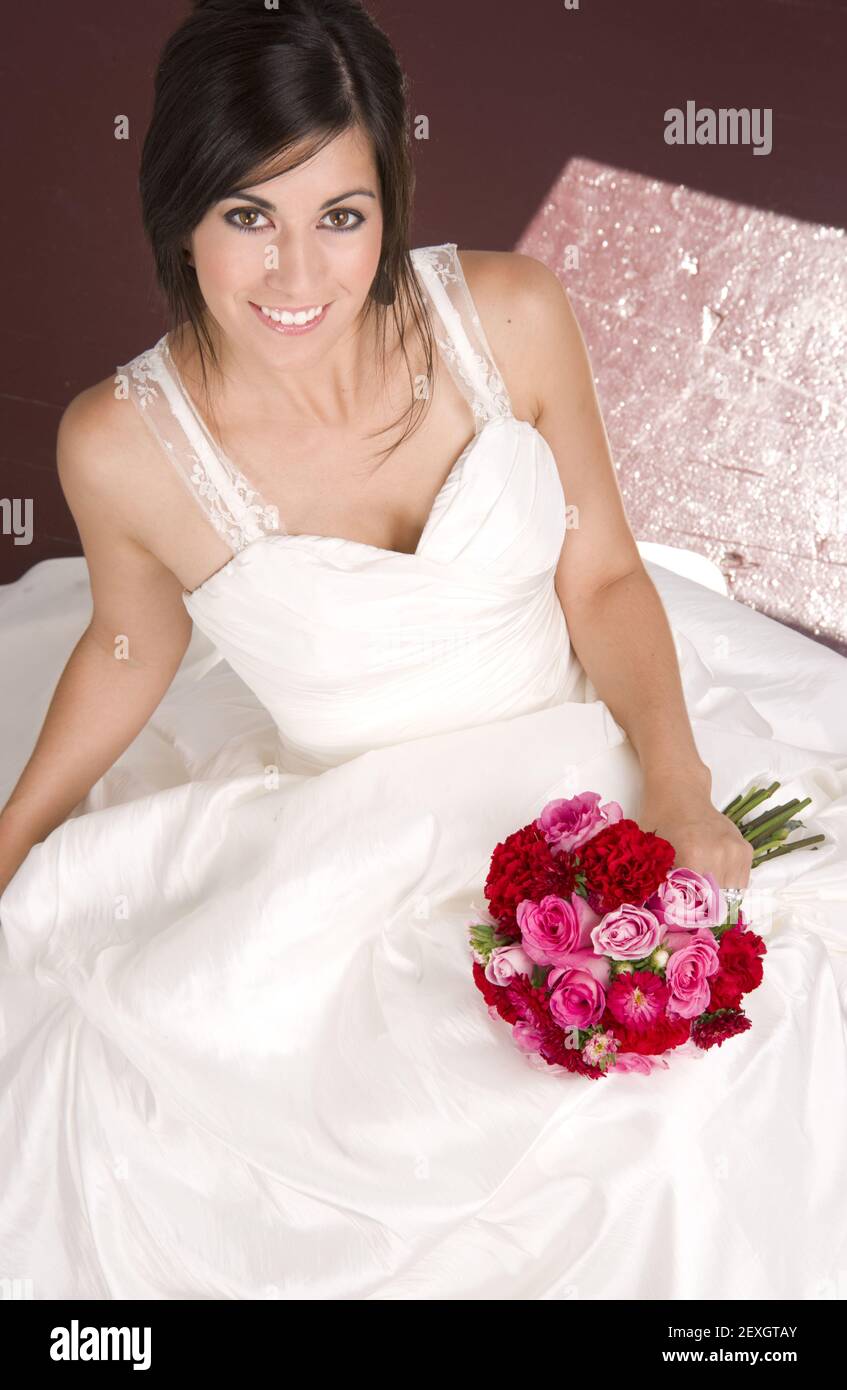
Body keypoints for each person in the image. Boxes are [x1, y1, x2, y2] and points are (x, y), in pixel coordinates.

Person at [0, 0, 845, 1300]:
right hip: (350, 838)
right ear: (179, 212)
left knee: (707, 1100)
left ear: (389, 199)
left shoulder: (506, 317)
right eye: (247, 216)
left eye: (340, 215)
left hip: (579, 763)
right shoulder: (119, 442)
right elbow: (128, 641)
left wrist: (676, 785)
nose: (297, 276)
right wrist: (8, 844)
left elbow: (606, 573)